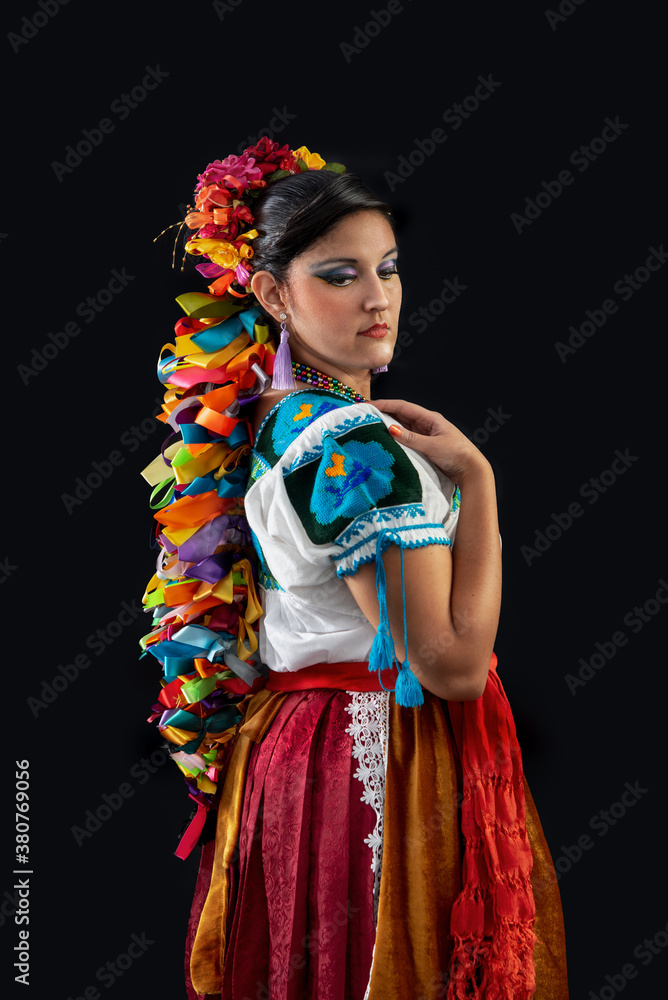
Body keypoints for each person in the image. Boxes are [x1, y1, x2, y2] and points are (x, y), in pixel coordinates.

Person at [141, 139, 569, 999]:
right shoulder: (347, 444)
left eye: (390, 268)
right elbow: (447, 666)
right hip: (379, 757)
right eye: (339, 275)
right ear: (269, 292)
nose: (379, 299)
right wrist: (479, 483)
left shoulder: (270, 421)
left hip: (296, 753)